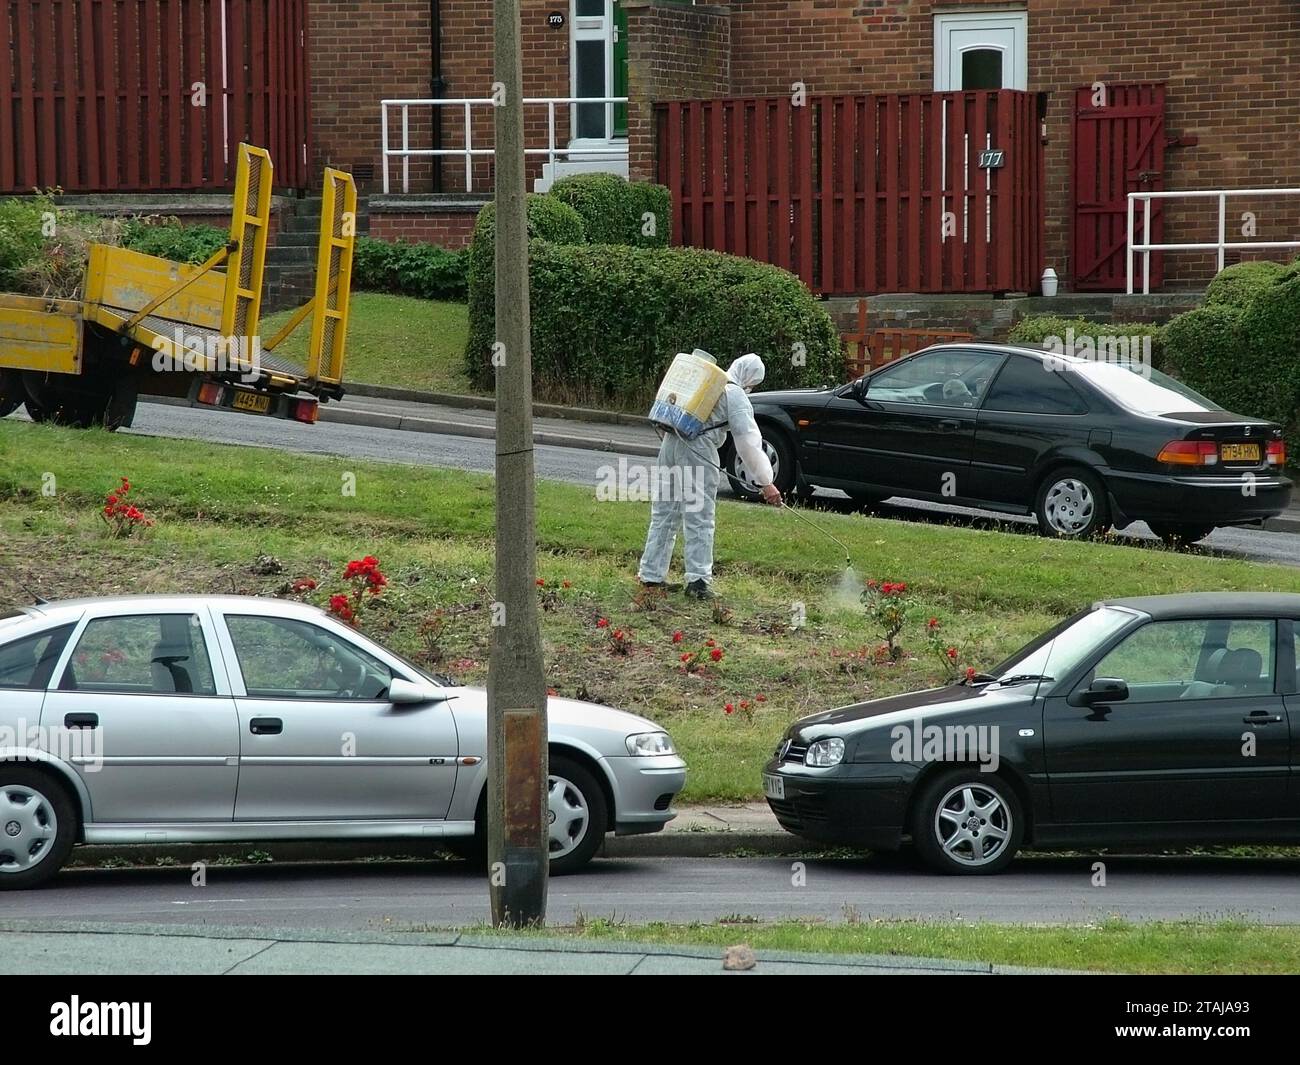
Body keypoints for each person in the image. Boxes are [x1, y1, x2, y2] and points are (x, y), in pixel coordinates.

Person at [637, 352, 783, 599]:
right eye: (754, 385)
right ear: (750, 380)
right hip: (697, 449)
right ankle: (698, 581)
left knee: (664, 512)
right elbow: (748, 443)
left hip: (671, 442)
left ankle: (651, 575)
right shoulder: (734, 394)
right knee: (700, 515)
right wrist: (766, 482)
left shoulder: (707, 381)